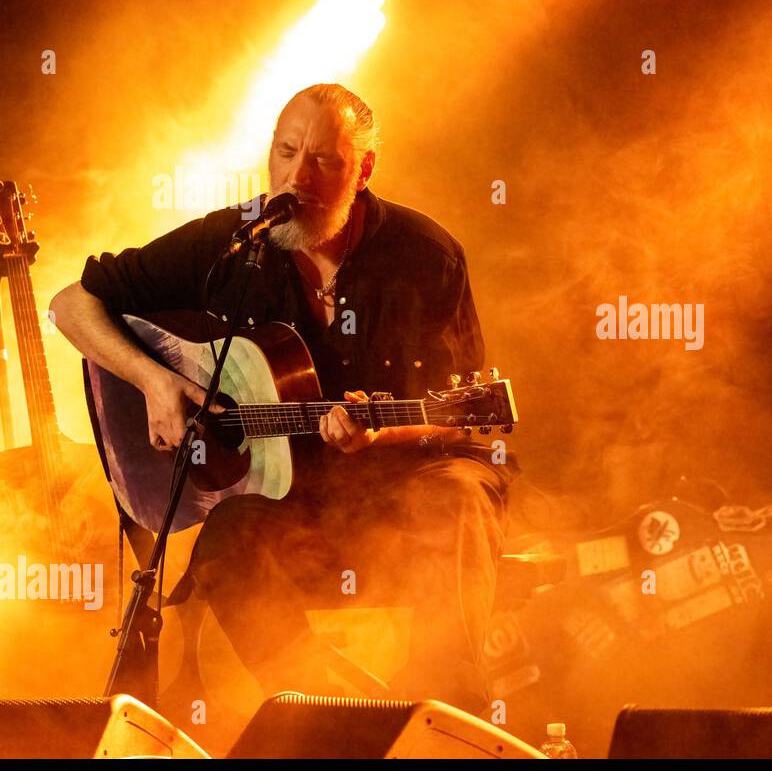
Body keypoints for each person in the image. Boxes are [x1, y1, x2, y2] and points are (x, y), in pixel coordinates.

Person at [52, 83, 517, 712]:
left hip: (411, 479)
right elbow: (72, 303)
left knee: (457, 496)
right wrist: (154, 381)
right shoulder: (234, 243)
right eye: (286, 152)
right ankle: (320, 714)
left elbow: (465, 424)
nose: (298, 177)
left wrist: (383, 431)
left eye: (324, 159)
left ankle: (444, 715)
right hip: (299, 498)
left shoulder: (425, 256)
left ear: (364, 169)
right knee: (229, 541)